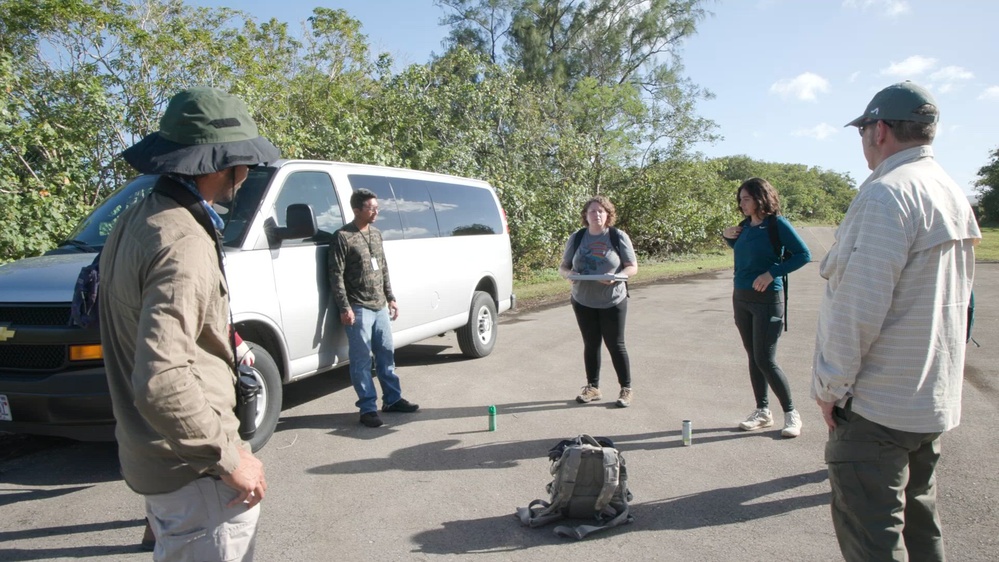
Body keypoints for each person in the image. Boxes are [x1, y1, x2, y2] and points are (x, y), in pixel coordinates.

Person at [102, 87, 277, 561]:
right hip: (195, 475)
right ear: (223, 165)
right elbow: (163, 379)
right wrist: (228, 459)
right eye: (244, 162)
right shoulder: (183, 239)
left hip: (160, 462)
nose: (246, 174)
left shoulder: (137, 219)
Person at [812, 81, 980, 561]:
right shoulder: (949, 191)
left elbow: (858, 307)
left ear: (880, 130)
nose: (864, 139)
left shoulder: (887, 194)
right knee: (921, 524)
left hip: (878, 405)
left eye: (864, 129)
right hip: (929, 398)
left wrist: (830, 387)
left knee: (873, 539)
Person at [722, 178, 811, 438]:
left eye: (746, 198)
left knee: (765, 358)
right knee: (753, 356)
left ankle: (792, 413)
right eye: (740, 199)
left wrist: (772, 273)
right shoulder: (744, 227)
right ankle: (762, 411)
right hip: (741, 297)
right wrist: (728, 238)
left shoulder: (777, 224)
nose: (742, 204)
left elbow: (803, 254)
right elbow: (744, 253)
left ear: (761, 198)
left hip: (768, 300)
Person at [329, 188, 419, 428]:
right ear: (357, 210)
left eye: (377, 207)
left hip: (379, 306)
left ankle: (392, 399)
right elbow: (336, 275)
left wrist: (391, 297)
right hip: (358, 308)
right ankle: (367, 409)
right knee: (361, 361)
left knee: (386, 355)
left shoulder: (377, 234)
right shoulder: (343, 237)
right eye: (371, 208)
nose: (376, 211)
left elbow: (383, 267)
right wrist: (344, 307)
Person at [558, 195, 639, 407]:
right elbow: (563, 266)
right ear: (586, 215)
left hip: (612, 300)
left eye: (601, 211)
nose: (597, 215)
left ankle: (626, 389)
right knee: (591, 344)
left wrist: (617, 277)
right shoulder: (577, 237)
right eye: (592, 211)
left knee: (616, 344)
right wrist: (568, 274)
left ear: (608, 214)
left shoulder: (617, 236)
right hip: (583, 300)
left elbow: (632, 266)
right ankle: (592, 387)